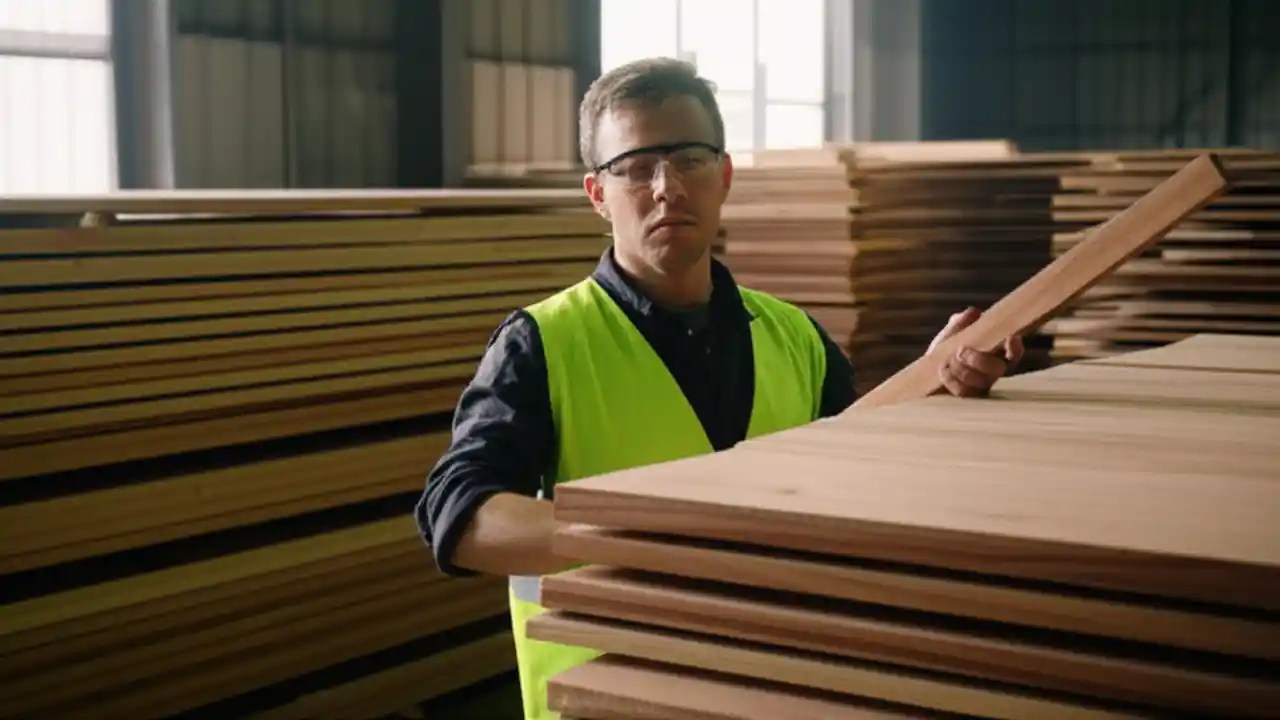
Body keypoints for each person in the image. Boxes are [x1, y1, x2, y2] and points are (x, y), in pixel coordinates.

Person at [414, 57, 1023, 720]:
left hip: (772, 688)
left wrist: (933, 385)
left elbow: (859, 468)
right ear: (597, 194)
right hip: (607, 701)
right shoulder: (542, 343)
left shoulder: (796, 338)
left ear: (724, 176)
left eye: (689, 159)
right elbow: (460, 515)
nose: (667, 187)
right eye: (636, 166)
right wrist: (654, 536)